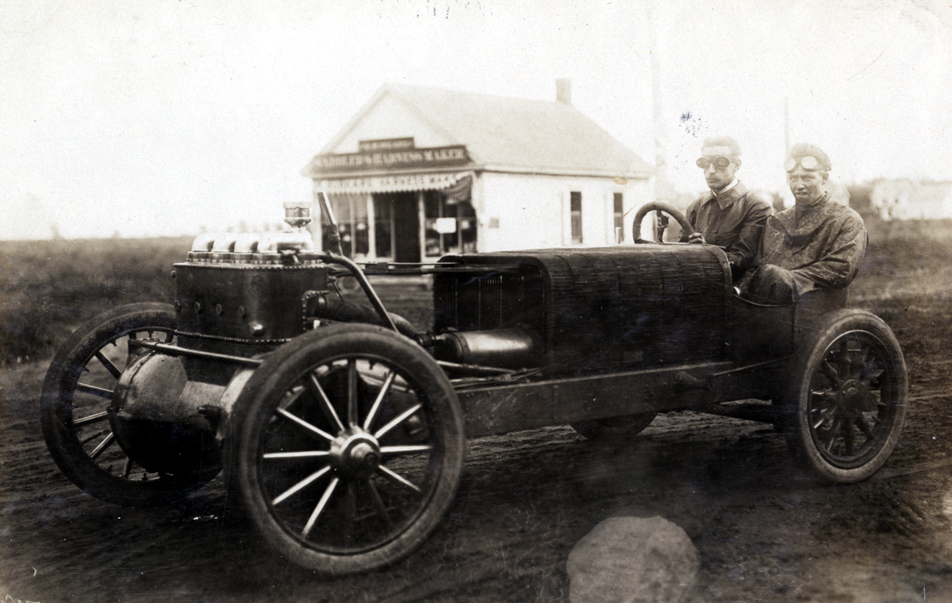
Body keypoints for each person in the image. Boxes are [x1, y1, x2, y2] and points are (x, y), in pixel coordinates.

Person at [739, 143, 867, 305]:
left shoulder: (846, 220)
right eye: (793, 178)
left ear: (824, 178)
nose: (799, 185)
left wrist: (787, 278)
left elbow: (841, 269)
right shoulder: (777, 221)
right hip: (770, 305)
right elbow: (759, 266)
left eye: (807, 178)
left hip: (817, 307)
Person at [684, 136, 772, 279]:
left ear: (737, 165)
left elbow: (744, 258)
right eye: (705, 163)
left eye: (720, 162)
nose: (711, 170)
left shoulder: (757, 207)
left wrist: (706, 253)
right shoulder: (696, 206)